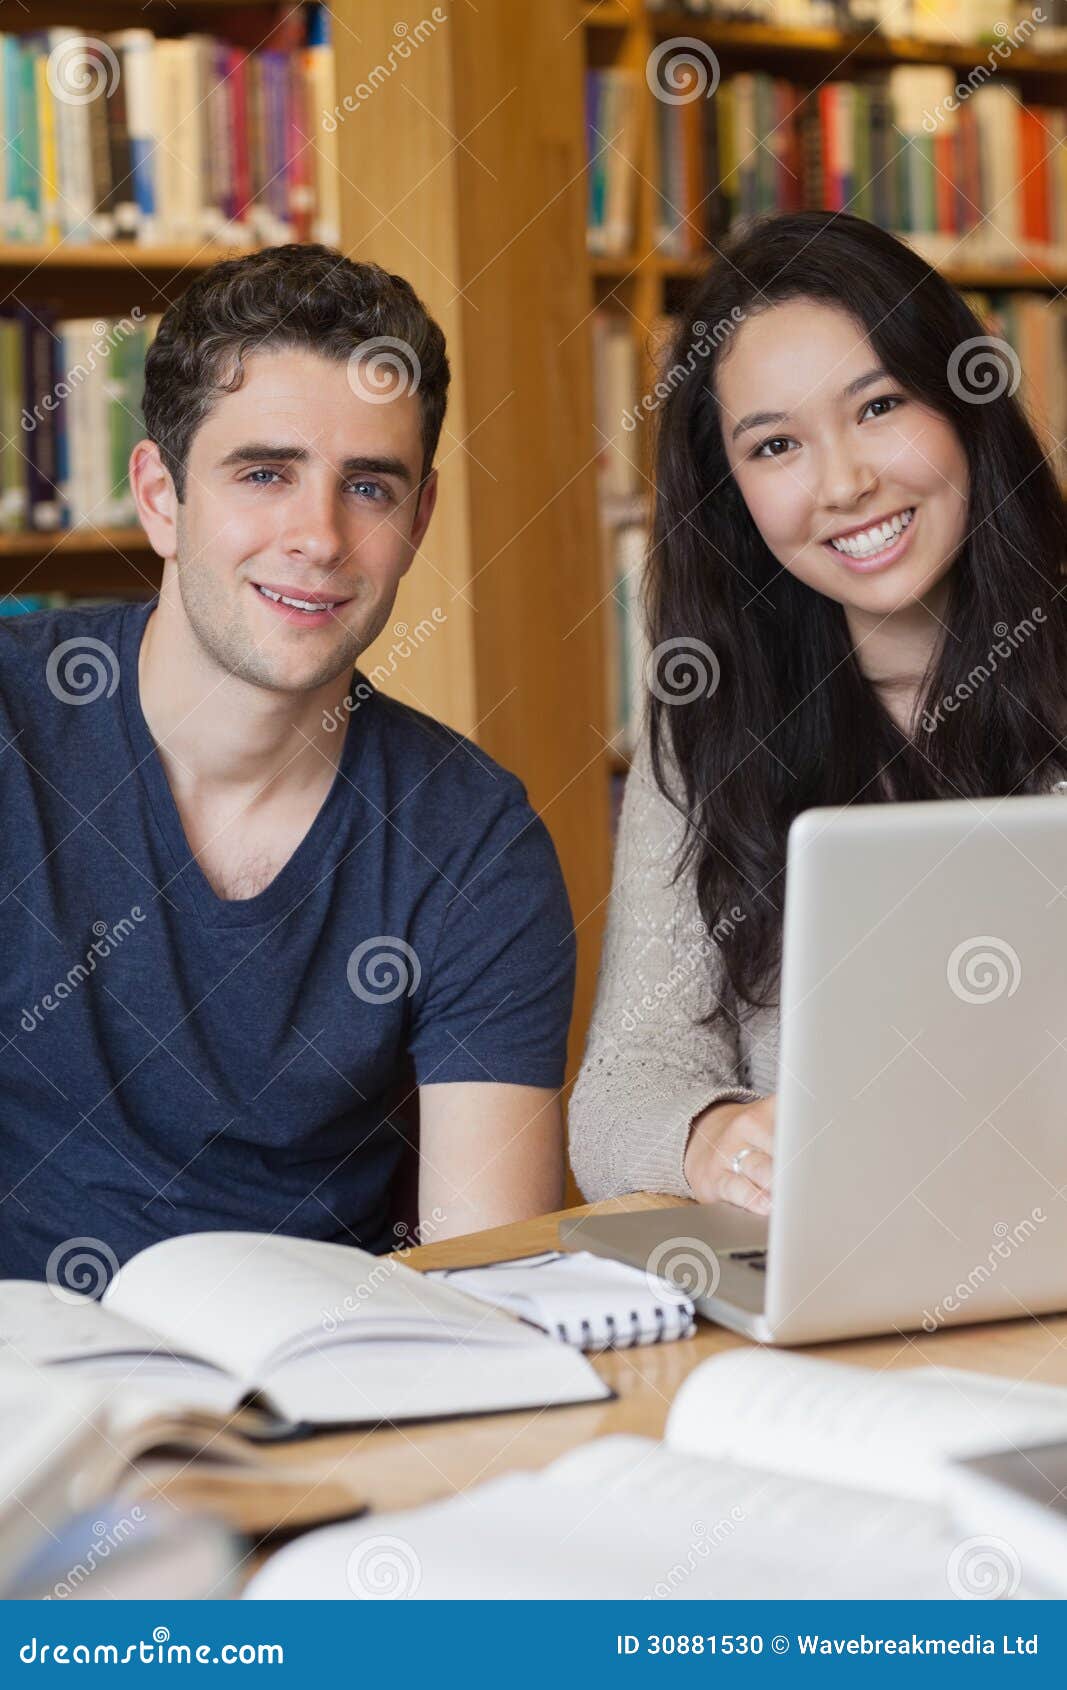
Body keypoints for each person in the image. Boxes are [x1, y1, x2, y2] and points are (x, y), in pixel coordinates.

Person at [0, 244, 575, 1284]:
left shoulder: (473, 843)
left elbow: (483, 1281)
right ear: (161, 497)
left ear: (419, 520)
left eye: (368, 486)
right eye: (264, 474)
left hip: (315, 1402)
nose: (318, 537)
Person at [569, 210, 1067, 1217]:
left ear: (962, 397)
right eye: (773, 445)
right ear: (730, 493)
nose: (842, 483)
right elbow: (621, 1089)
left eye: (877, 406)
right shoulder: (705, 723)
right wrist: (710, 1137)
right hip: (849, 1282)